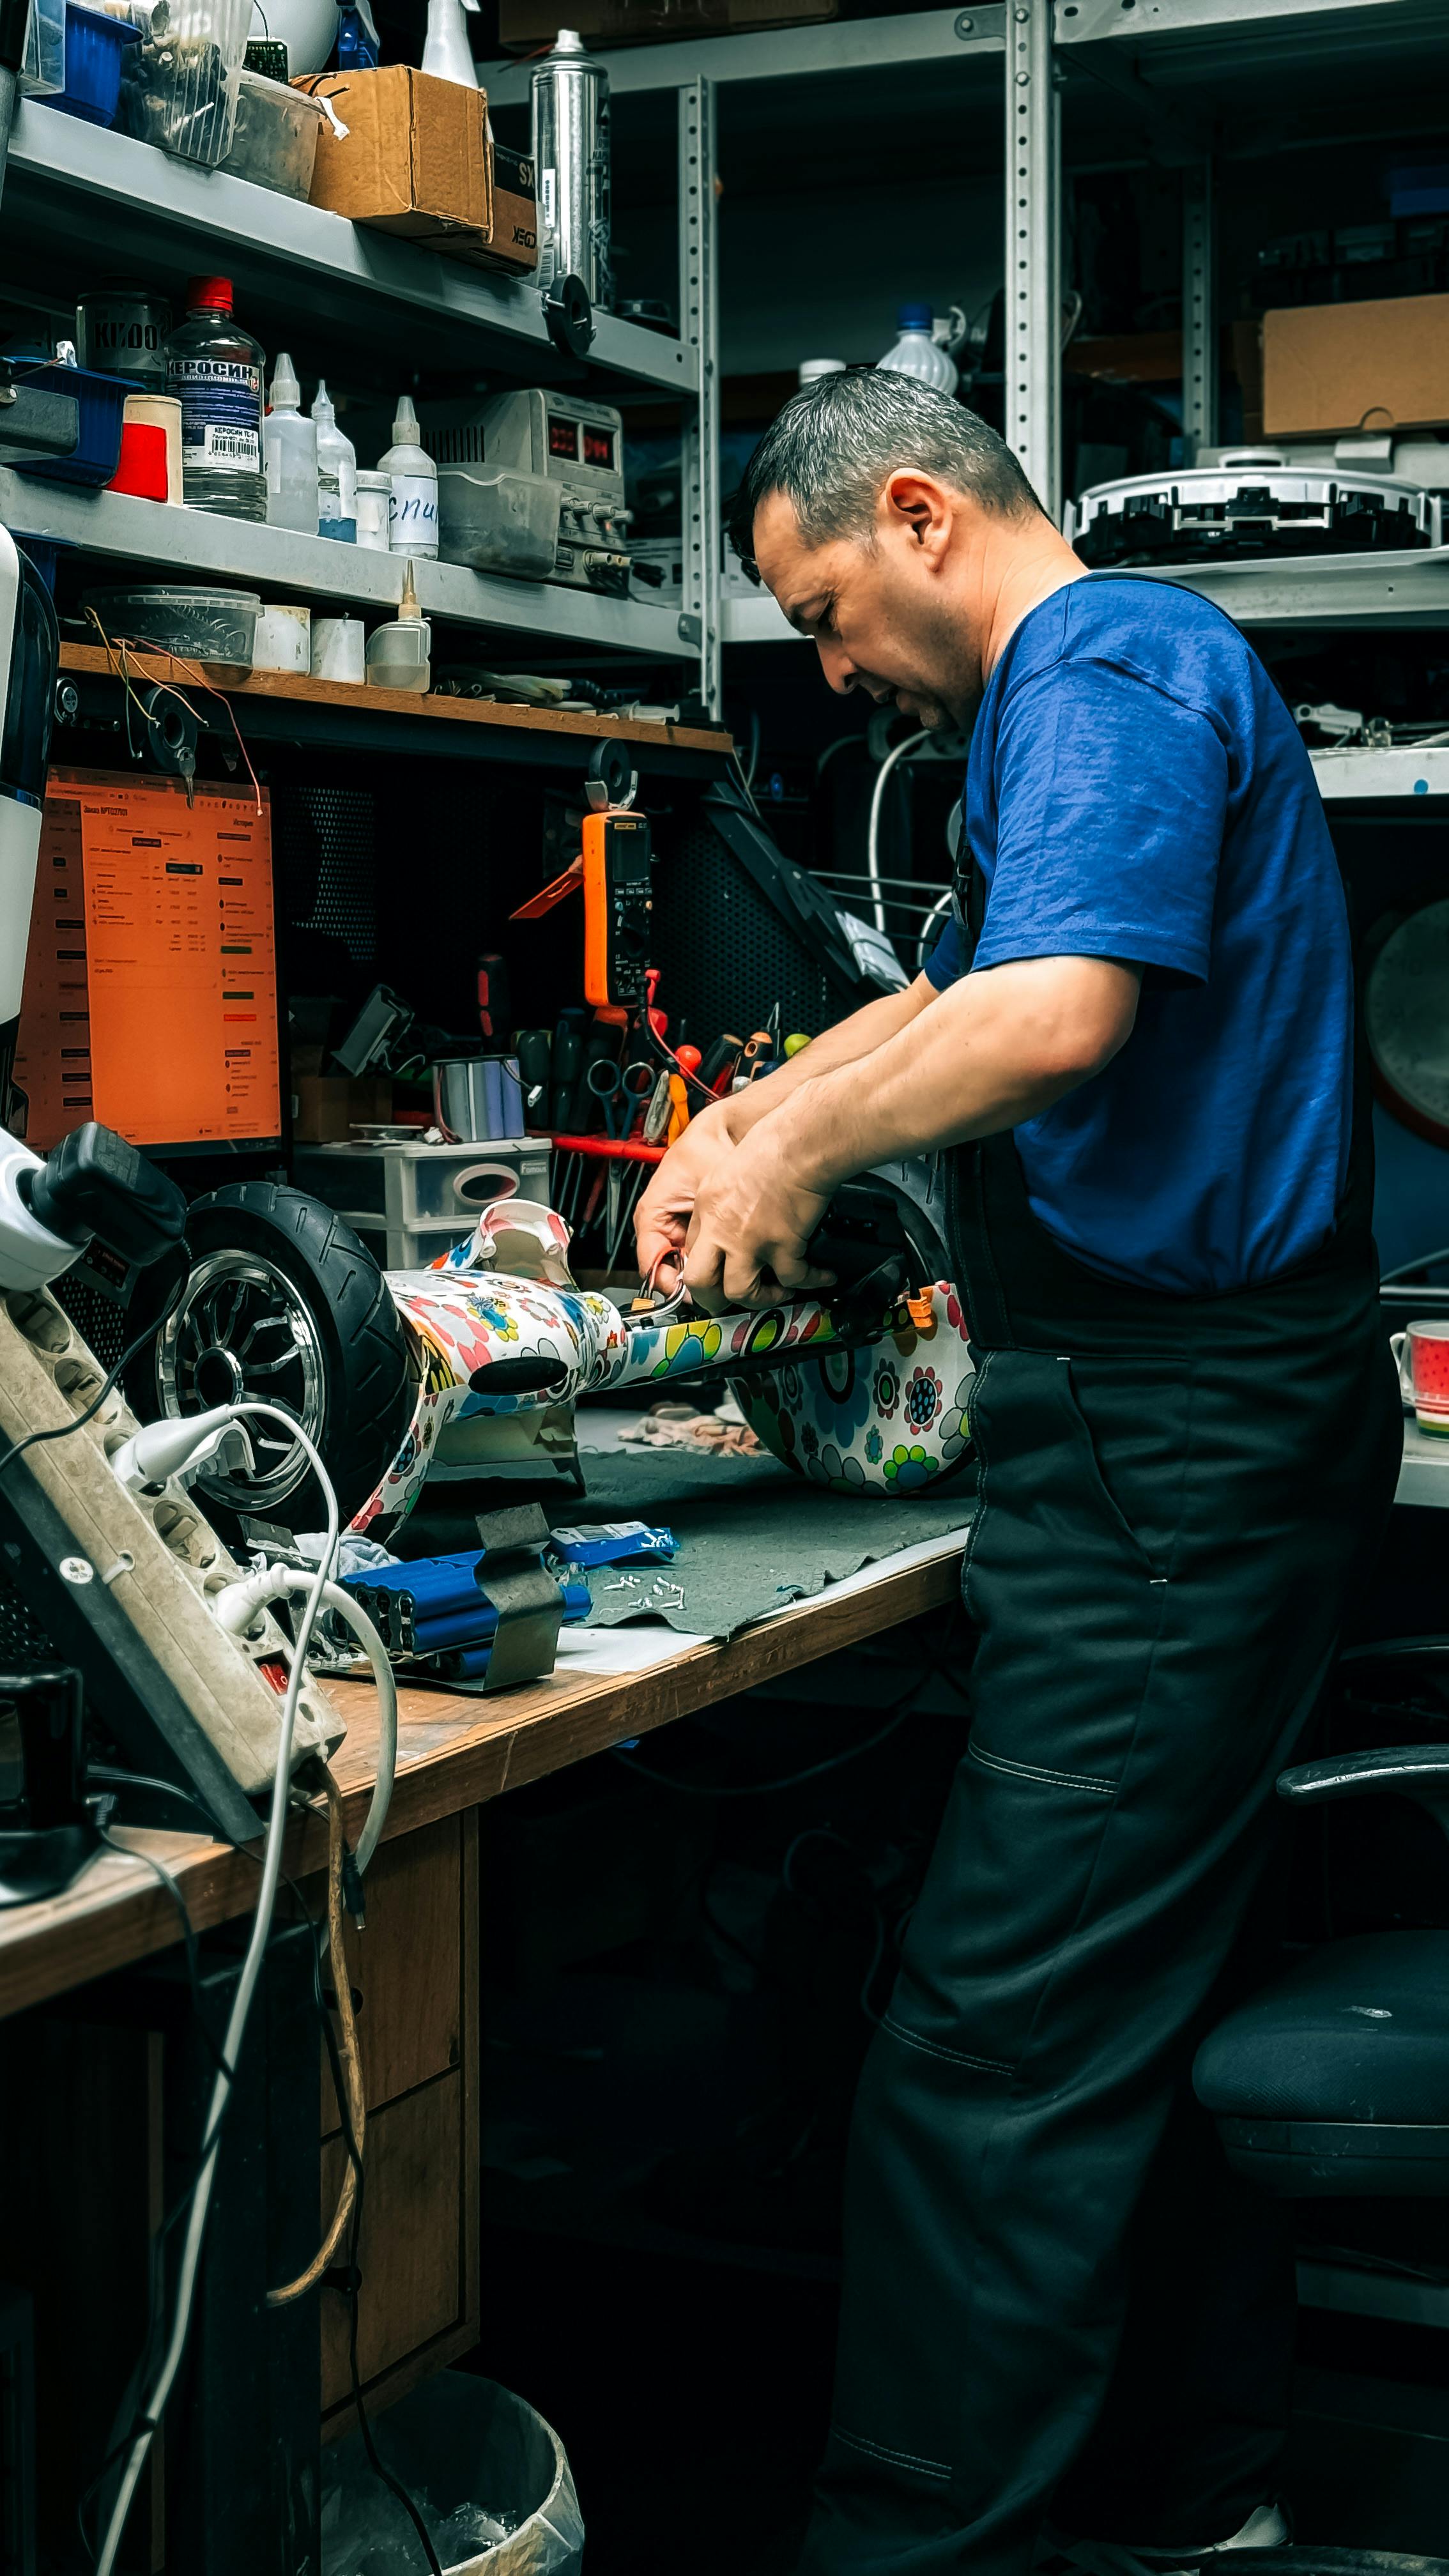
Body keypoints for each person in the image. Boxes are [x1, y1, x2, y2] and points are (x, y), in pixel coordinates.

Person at [632, 371, 1402, 2576]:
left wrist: (788, 1145)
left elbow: (1057, 1016)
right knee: (1119, 2008)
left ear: (915, 513)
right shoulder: (1088, 692)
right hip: (1175, 1439)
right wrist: (744, 1112)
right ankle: (1183, 2499)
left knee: (992, 2056)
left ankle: (915, 2553)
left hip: (1174, 1453)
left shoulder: (1114, 657)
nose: (831, 666)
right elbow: (960, 988)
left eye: (824, 610)